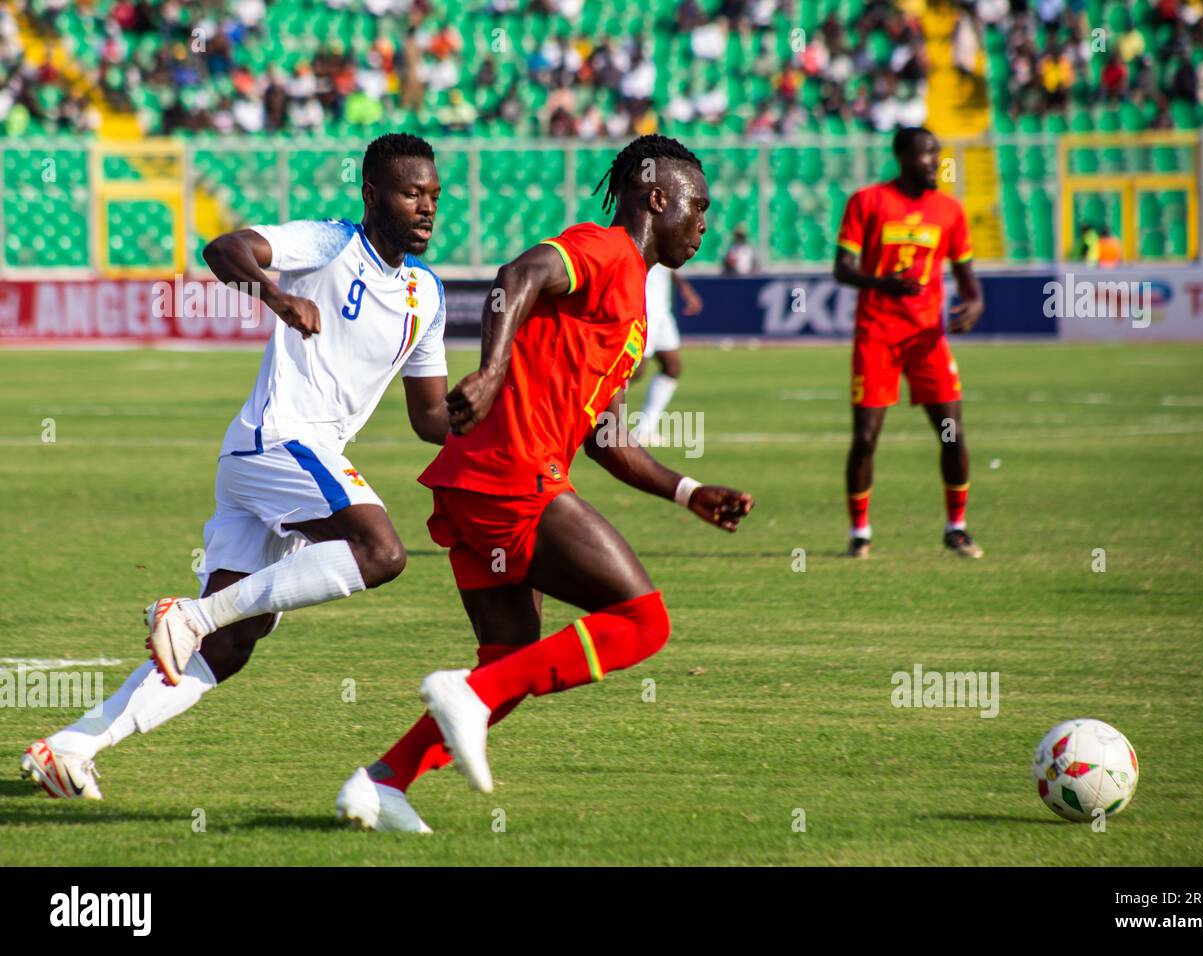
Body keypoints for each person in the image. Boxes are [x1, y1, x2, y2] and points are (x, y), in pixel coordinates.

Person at [337, 135, 755, 830]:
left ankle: (384, 781)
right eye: (697, 206)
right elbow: (518, 275)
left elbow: (606, 438)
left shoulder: (635, 300)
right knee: (644, 624)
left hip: (477, 484)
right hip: (511, 476)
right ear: (657, 198)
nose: (704, 221)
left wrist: (688, 491)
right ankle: (459, 702)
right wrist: (495, 368)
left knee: (511, 661)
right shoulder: (606, 251)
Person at [22, 134, 451, 805]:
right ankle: (191, 614)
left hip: (281, 459)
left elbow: (432, 420)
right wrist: (281, 300)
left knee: (232, 645)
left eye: (432, 194)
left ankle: (73, 746)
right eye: (409, 192)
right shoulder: (332, 243)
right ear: (372, 196)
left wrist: (505, 402)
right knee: (381, 552)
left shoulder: (427, 293)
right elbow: (225, 250)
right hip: (278, 441)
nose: (425, 207)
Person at [832, 126, 985, 561]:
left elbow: (969, 282)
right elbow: (842, 269)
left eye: (936, 153)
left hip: (927, 341)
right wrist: (882, 283)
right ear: (901, 156)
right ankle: (859, 533)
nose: (933, 161)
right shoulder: (868, 201)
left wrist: (974, 305)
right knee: (865, 438)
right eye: (924, 154)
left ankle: (956, 528)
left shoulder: (949, 211)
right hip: (877, 336)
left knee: (952, 434)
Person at [630, 263, 702, 446]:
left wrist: (684, 288)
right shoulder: (643, 235)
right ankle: (594, 421)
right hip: (644, 306)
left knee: (672, 367)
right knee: (634, 371)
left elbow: (668, 261)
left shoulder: (666, 243)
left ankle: (644, 430)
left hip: (661, 309)